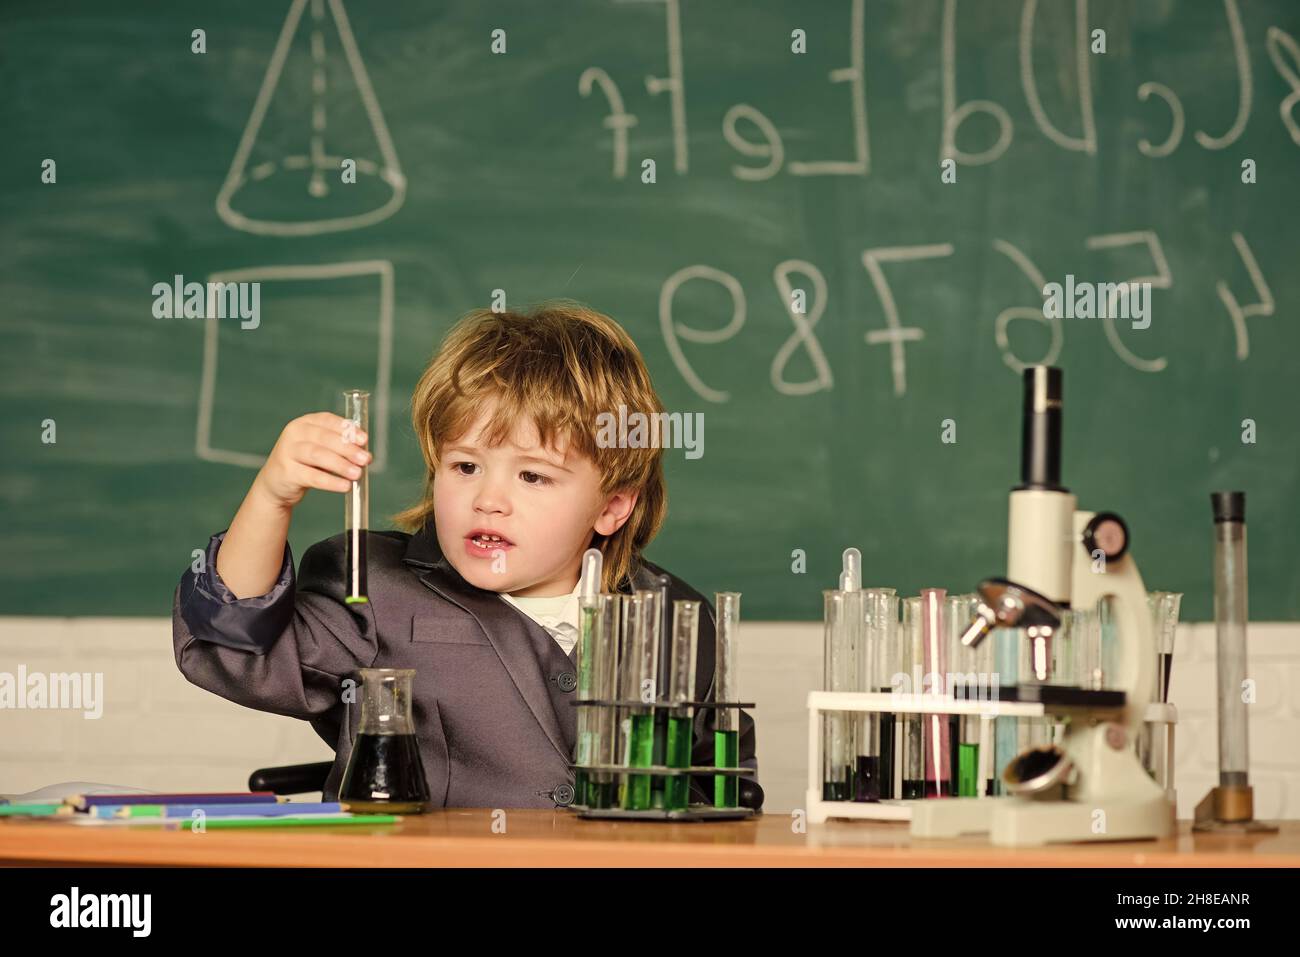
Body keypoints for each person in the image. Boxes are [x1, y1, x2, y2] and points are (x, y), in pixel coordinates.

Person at [172, 300, 760, 809]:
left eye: (534, 476)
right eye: (466, 466)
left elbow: (718, 794)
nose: (489, 500)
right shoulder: (373, 585)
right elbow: (232, 645)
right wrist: (273, 496)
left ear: (612, 507)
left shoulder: (673, 618)